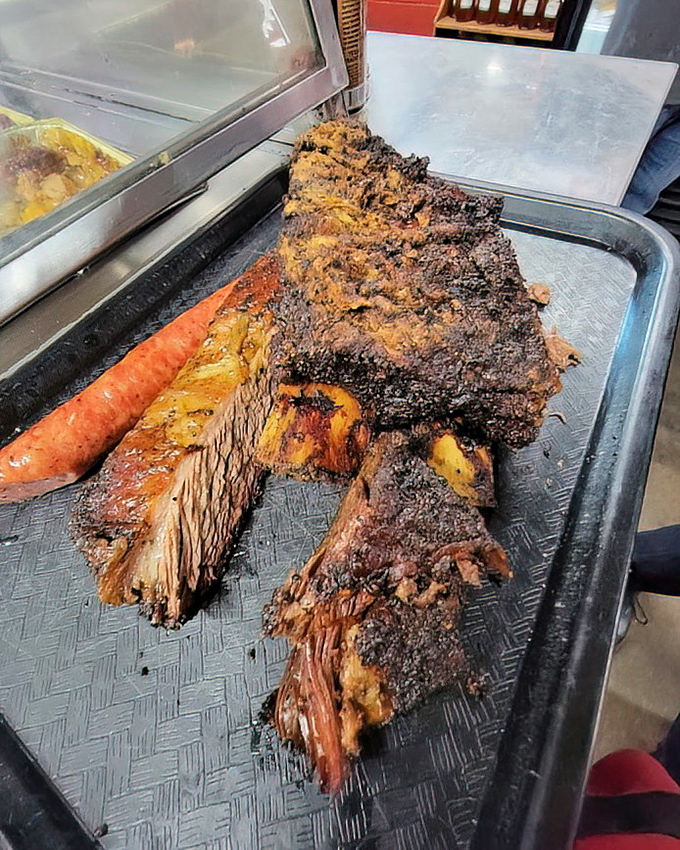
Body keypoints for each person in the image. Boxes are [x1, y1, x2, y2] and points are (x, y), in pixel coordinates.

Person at [601, 0, 680, 215]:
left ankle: (603, 243)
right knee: (599, 181)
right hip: (638, 73)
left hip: (640, 70)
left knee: (643, 191)